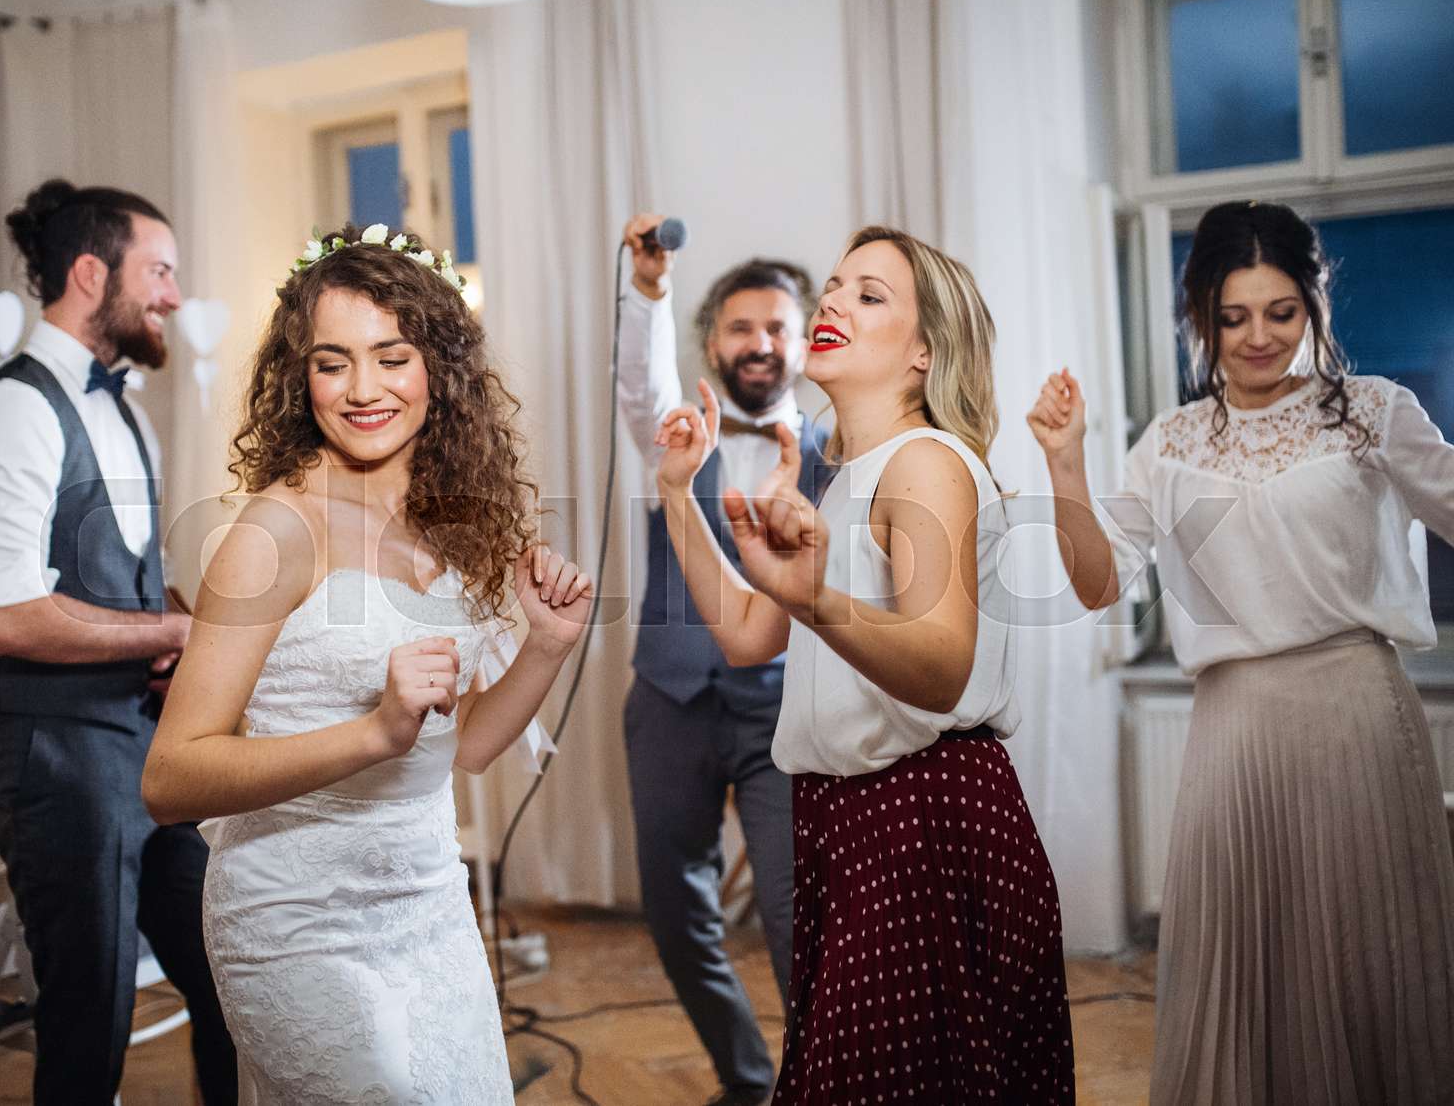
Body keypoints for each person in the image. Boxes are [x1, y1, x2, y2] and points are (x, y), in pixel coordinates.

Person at [140, 224, 592, 1104]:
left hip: (430, 909)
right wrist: (373, 733)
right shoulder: (277, 530)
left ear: (440, 368)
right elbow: (170, 778)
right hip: (296, 923)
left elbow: (463, 746)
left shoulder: (453, 522)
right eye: (332, 362)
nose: (362, 389)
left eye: (391, 357)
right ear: (298, 375)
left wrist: (544, 645)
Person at [1028, 199, 1454, 1104]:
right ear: (1200, 319)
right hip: (1233, 735)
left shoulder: (1374, 413)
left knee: (1365, 968)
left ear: (1314, 305)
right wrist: (1065, 463)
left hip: (1358, 722)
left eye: (1281, 311)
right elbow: (1100, 585)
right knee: (1243, 967)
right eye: (1233, 317)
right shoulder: (1169, 444)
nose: (1258, 336)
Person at [657, 226, 1074, 1104]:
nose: (834, 301)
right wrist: (676, 492)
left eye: (870, 294)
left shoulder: (925, 462)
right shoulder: (847, 478)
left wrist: (813, 596)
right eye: (836, 286)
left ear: (926, 351)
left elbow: (943, 664)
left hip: (922, 819)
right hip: (847, 824)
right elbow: (746, 635)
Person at [0, 179, 237, 1104]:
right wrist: (174, 629)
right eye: (160, 272)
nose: (174, 296)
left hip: (149, 749)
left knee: (232, 980)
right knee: (89, 1023)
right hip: (55, 757)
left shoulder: (130, 413)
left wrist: (185, 630)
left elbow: (120, 579)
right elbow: (6, 614)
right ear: (91, 273)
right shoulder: (10, 410)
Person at [615, 213, 825, 1104]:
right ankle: (747, 1079)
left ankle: (815, 1084)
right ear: (712, 342)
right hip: (669, 698)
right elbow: (640, 385)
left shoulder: (837, 456)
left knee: (794, 919)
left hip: (784, 710)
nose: (760, 343)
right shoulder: (676, 433)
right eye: (741, 326)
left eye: (777, 327)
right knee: (675, 913)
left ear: (805, 343)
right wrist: (649, 288)